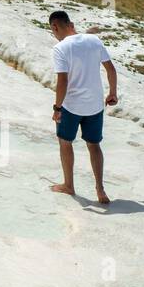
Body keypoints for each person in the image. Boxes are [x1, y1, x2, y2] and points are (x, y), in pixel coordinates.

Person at [48, 11, 117, 204]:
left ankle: (68, 185)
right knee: (94, 145)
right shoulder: (94, 40)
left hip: (71, 106)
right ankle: (100, 189)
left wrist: (57, 107)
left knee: (65, 142)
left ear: (55, 27)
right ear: (71, 23)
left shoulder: (60, 48)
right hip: (95, 105)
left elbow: (62, 81)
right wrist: (112, 93)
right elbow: (110, 69)